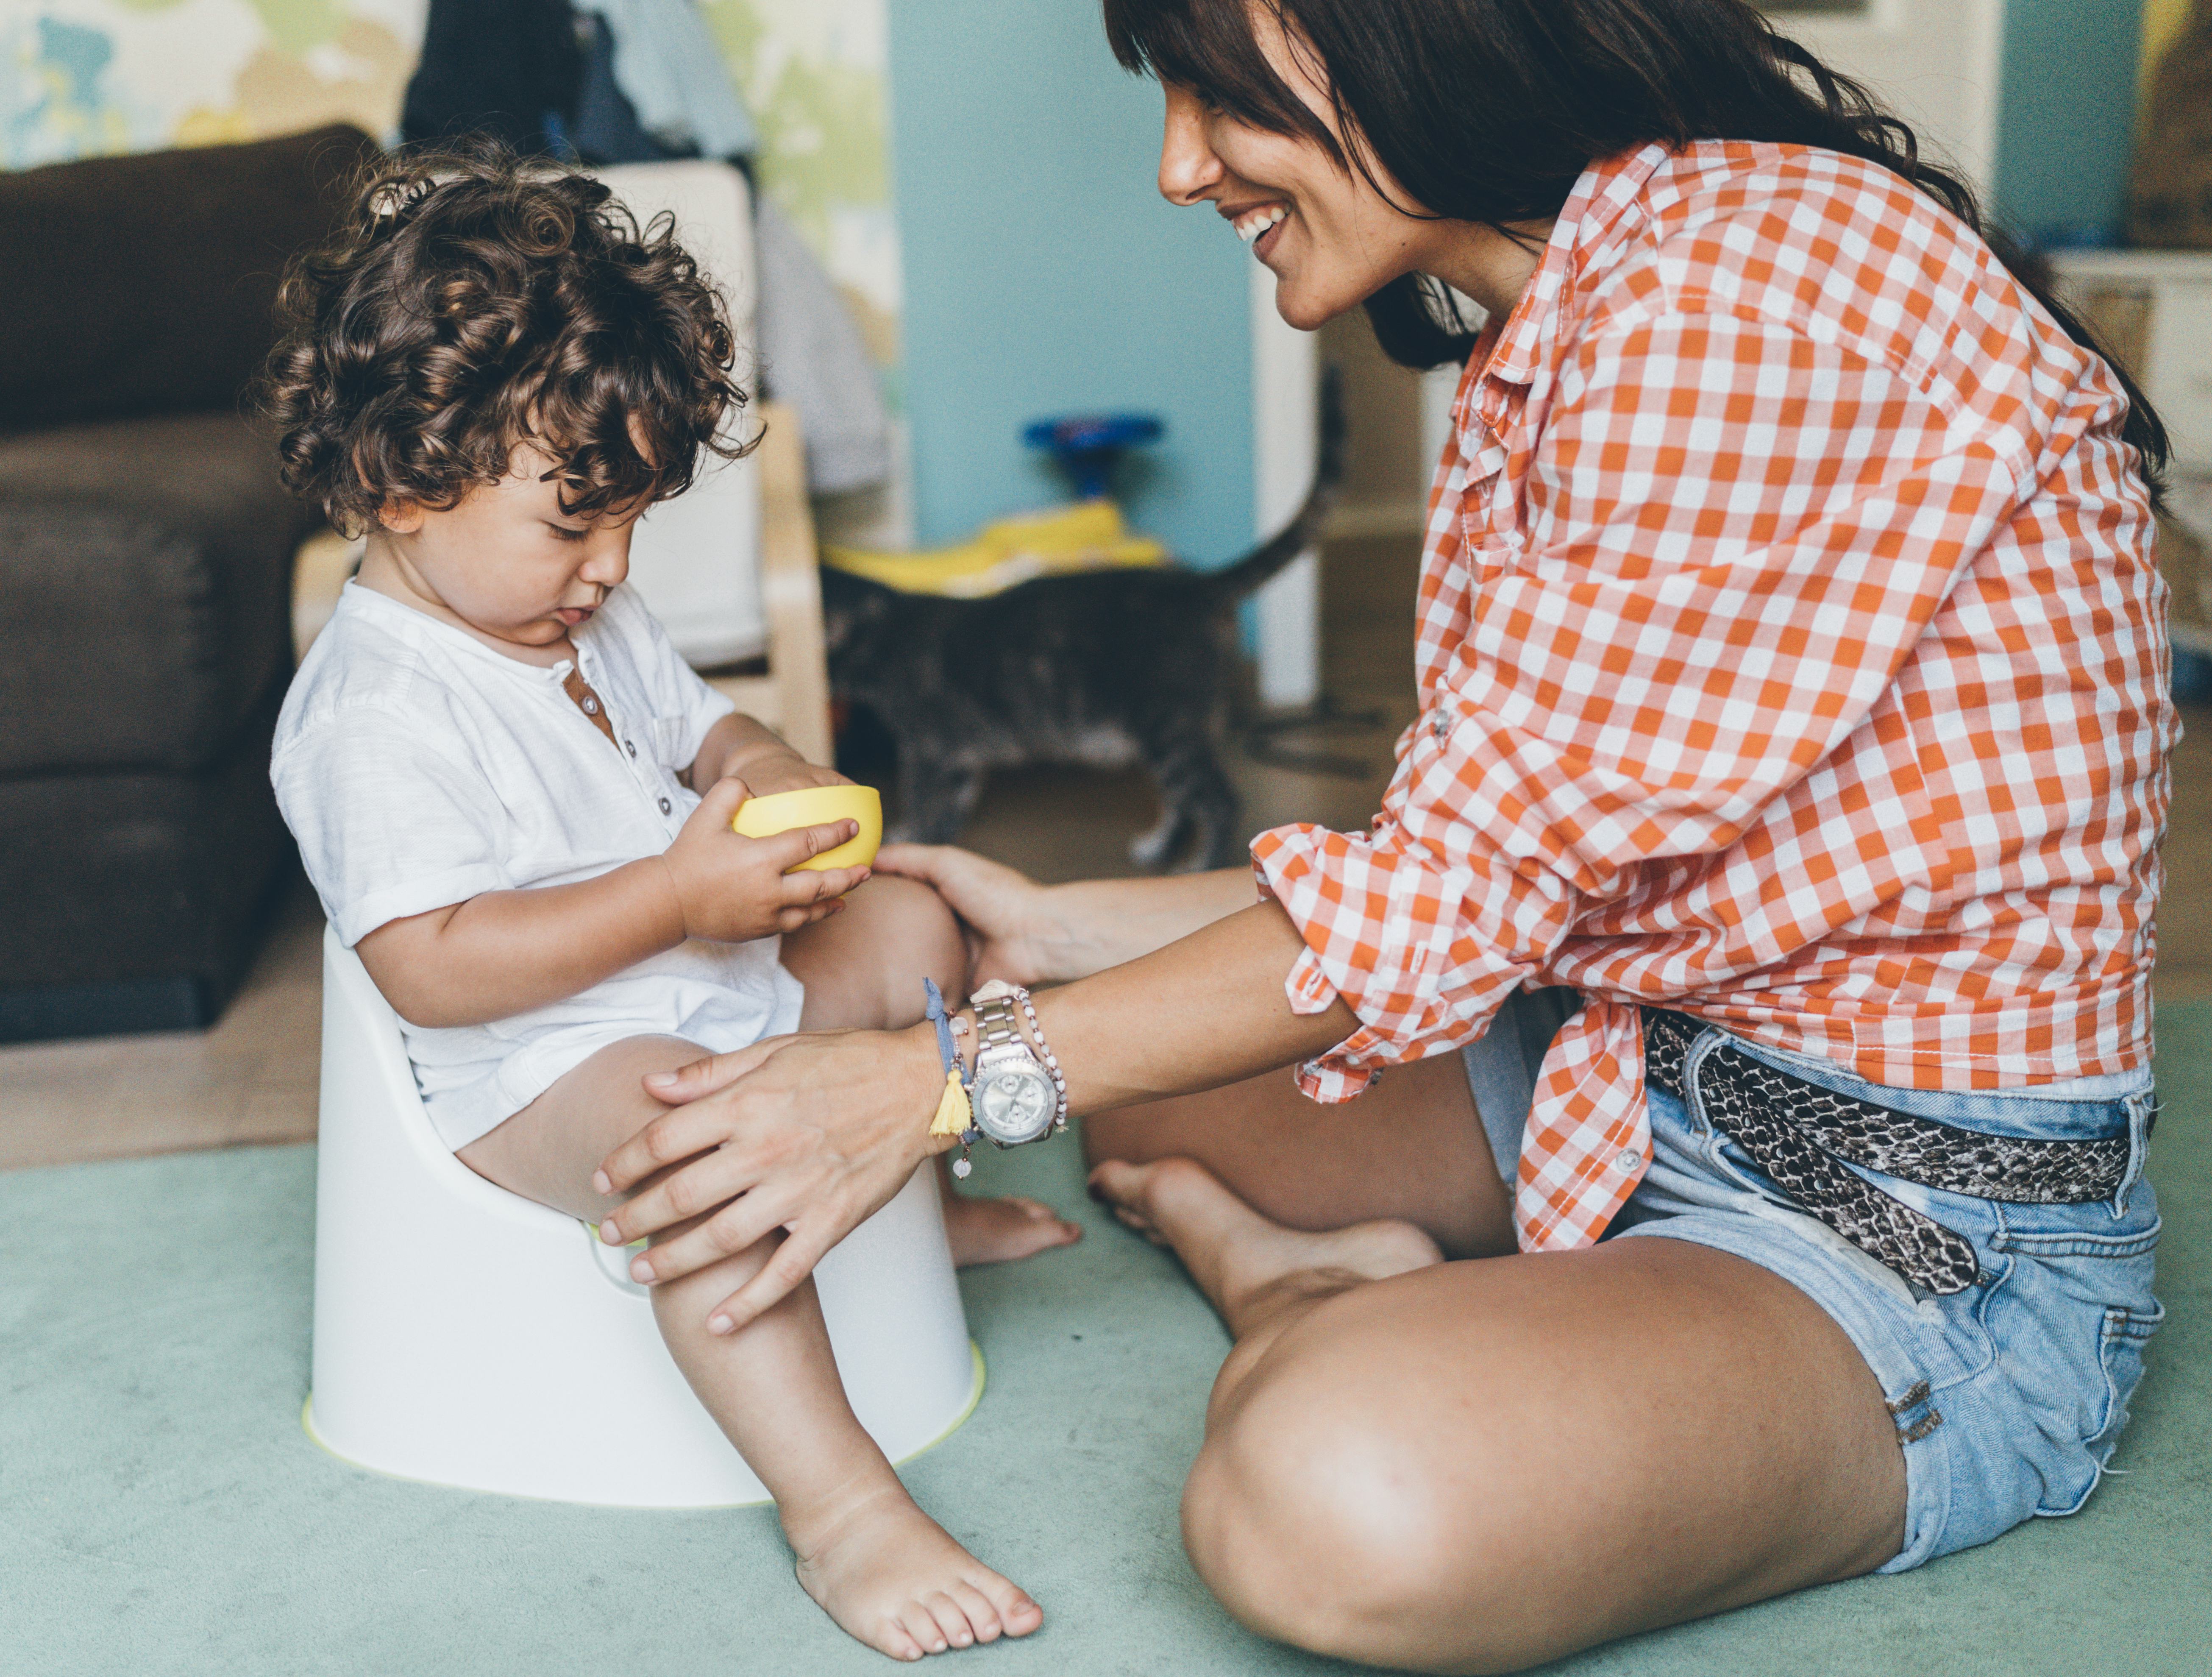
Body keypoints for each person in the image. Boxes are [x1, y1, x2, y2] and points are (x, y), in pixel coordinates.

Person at [586, 1, 2174, 1669]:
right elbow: (1500, 861)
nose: (1180, 164)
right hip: (1629, 1061)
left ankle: (1296, 1295)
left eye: (1216, 95)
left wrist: (935, 1078)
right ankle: (1298, 1257)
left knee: (1327, 1490)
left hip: (1910, 1228)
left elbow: (1440, 898)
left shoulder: (1740, 286)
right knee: (1142, 1093)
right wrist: (1058, 932)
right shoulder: (1563, 311)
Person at [262, 146, 1074, 1663]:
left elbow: (706, 728)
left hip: (709, 992)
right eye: (573, 526)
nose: (612, 566)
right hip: (541, 1068)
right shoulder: (374, 711)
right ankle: (842, 1511)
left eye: (630, 521)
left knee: (913, 923)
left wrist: (770, 774)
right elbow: (433, 969)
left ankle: (891, 1206)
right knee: (691, 1150)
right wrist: (676, 892)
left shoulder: (585, 614)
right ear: (399, 482)